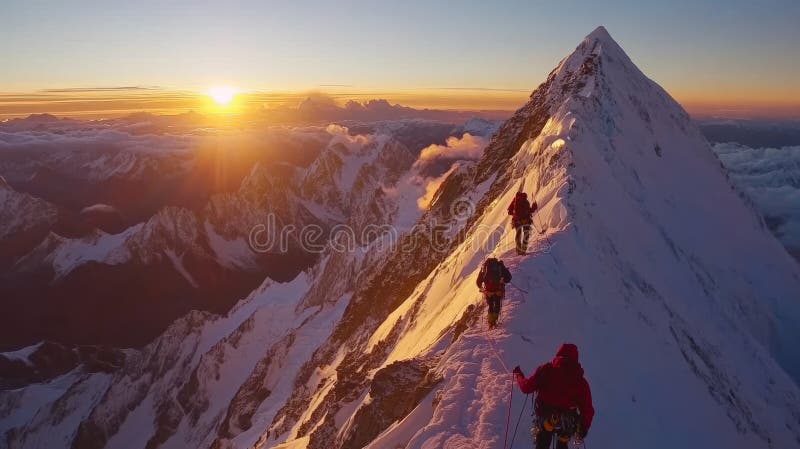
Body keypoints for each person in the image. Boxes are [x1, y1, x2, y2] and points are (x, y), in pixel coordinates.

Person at [513, 343, 594, 449]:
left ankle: (547, 431)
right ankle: (563, 439)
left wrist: (519, 376)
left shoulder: (546, 370)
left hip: (546, 416)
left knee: (543, 441)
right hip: (567, 421)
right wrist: (583, 428)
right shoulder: (581, 382)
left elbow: (526, 387)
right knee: (563, 439)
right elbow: (588, 410)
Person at [476, 257, 512, 328]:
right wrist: (503, 280)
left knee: (490, 306)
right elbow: (509, 277)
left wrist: (483, 290)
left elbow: (478, 282)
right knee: (497, 305)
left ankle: (490, 322)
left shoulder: (484, 267)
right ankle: (494, 321)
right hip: (498, 290)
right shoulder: (499, 266)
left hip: (488, 292)